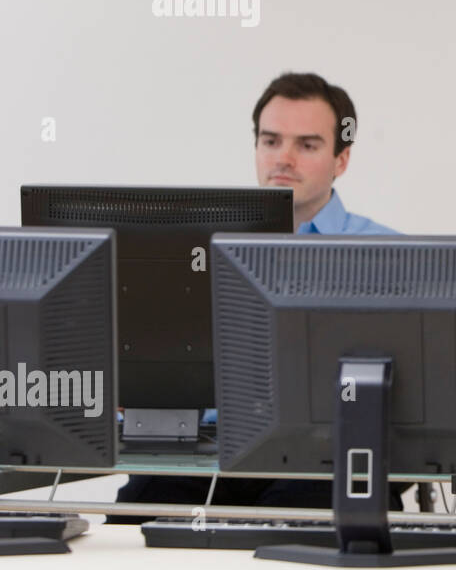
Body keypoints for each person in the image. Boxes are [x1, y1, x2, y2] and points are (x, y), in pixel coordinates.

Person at [109, 72, 403, 522]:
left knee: (290, 517)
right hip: (210, 451)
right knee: (137, 518)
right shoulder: (197, 248)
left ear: (341, 159)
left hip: (324, 460)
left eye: (306, 145)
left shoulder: (388, 255)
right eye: (270, 141)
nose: (283, 158)